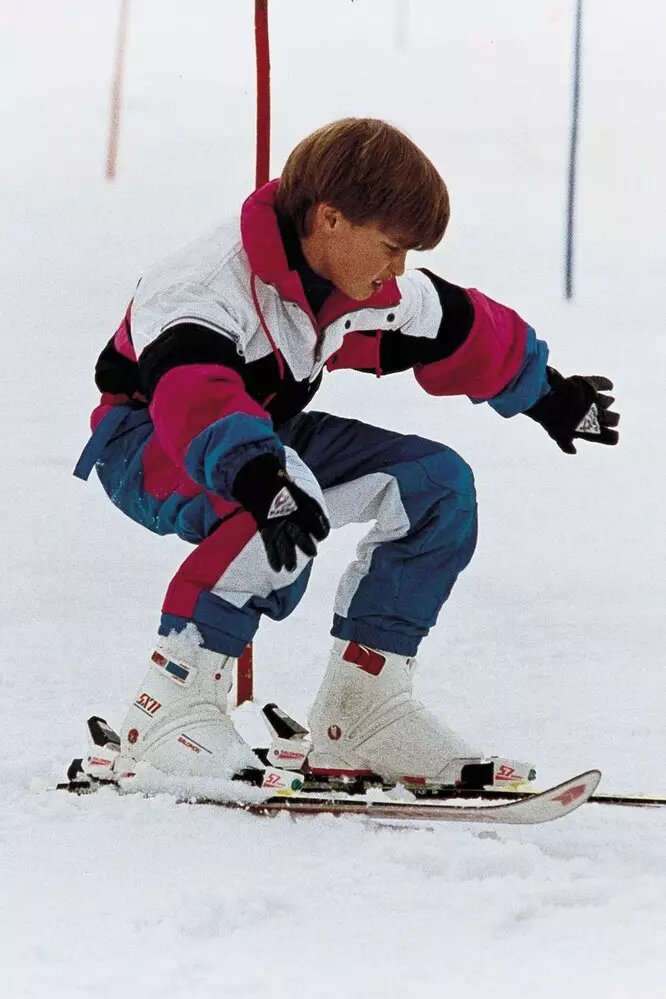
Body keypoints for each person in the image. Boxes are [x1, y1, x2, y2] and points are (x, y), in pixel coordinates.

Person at [75, 117, 619, 784]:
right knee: (286, 499)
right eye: (392, 247)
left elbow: (461, 325)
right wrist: (257, 474)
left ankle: (362, 712)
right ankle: (169, 704)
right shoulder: (205, 284)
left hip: (262, 437)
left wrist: (550, 397)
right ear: (330, 219)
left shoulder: (358, 278)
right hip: (155, 442)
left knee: (437, 485)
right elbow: (195, 392)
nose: (399, 269)